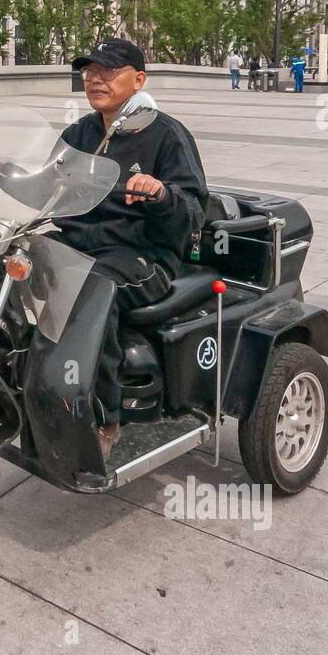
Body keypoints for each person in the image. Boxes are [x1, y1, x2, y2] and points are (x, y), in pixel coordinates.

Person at [56, 40, 206, 460]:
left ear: (139, 79)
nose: (94, 79)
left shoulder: (166, 135)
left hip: (142, 255)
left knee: (91, 289)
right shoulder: (79, 133)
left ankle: (103, 417)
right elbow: (46, 181)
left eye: (108, 71)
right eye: (89, 71)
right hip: (80, 243)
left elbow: (194, 211)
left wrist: (162, 194)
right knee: (5, 264)